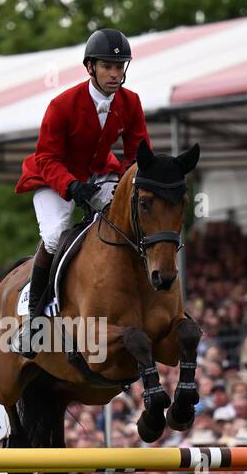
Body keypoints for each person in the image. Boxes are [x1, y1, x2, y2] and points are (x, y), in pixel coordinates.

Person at [13, 29, 151, 320]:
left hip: (100, 173)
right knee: (54, 235)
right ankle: (34, 307)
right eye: (107, 67)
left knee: (128, 221)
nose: (115, 74)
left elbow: (138, 153)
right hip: (54, 177)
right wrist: (72, 186)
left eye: (119, 67)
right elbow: (47, 157)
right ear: (90, 67)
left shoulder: (131, 102)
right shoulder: (62, 105)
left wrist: (128, 182)